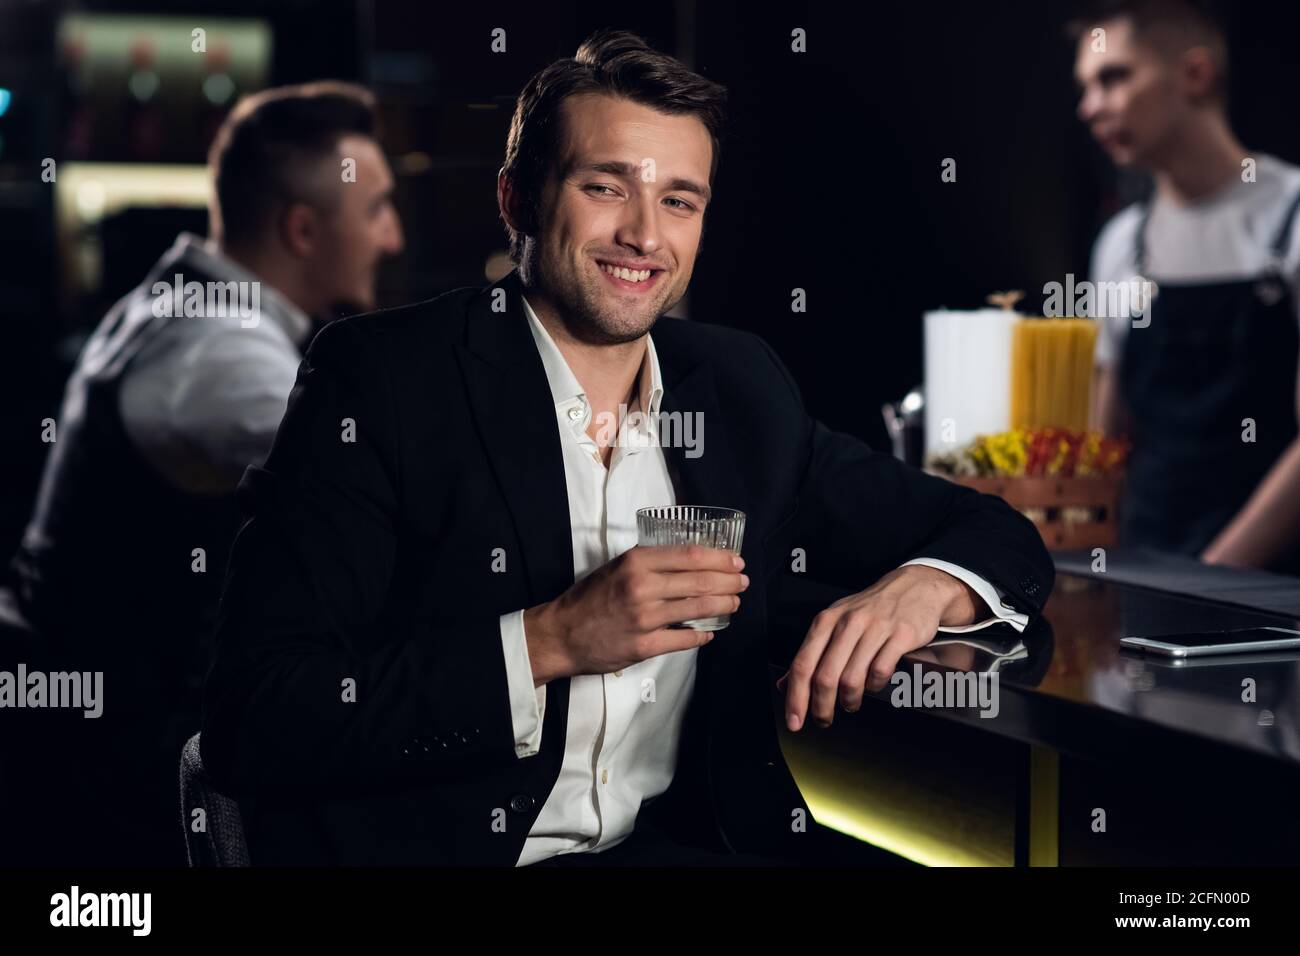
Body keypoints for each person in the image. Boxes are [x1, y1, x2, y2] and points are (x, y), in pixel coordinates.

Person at [201, 30, 1054, 866]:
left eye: (679, 201)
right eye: (607, 187)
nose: (646, 236)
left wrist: (926, 584)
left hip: (686, 845)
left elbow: (987, 531)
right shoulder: (383, 380)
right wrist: (552, 640)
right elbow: (258, 718)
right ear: (516, 200)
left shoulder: (736, 385)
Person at [5, 80, 404, 865]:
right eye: (376, 209)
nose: (391, 238)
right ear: (301, 228)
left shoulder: (189, 307)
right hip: (110, 785)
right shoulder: (216, 351)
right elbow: (371, 489)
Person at [1074, 0, 1300, 574]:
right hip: (1146, 574)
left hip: (1271, 593)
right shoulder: (1123, 243)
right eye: (1085, 87)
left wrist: (1214, 575)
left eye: (1114, 77)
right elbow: (1105, 440)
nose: (1090, 107)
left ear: (1195, 74)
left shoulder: (1291, 217)